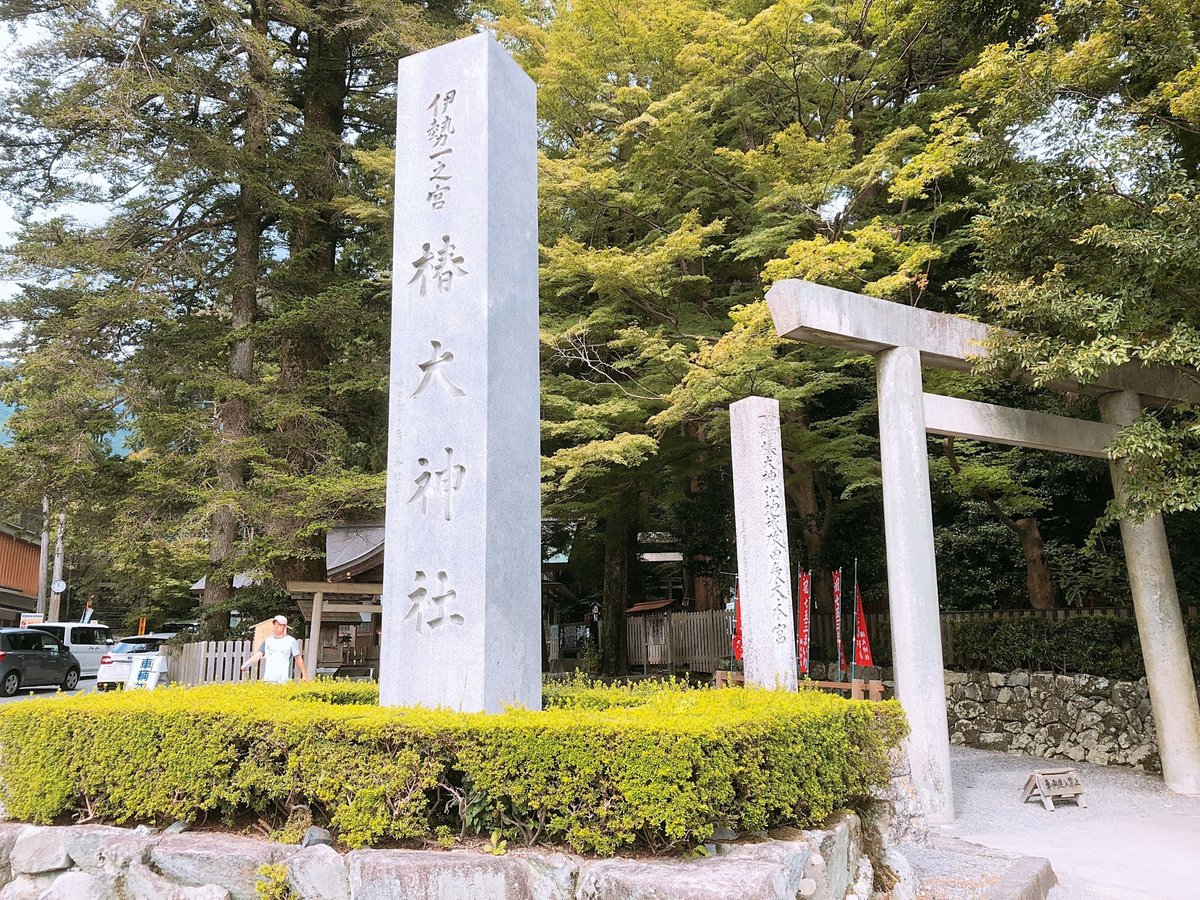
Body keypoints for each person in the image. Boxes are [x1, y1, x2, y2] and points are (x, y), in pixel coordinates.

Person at [241, 615, 308, 683]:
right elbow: (257, 656)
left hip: (284, 680)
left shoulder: (291, 641)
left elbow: (298, 658)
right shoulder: (267, 641)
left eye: (279, 625)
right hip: (268, 679)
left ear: (284, 626)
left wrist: (304, 675)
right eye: (274, 624)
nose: (276, 627)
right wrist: (246, 664)